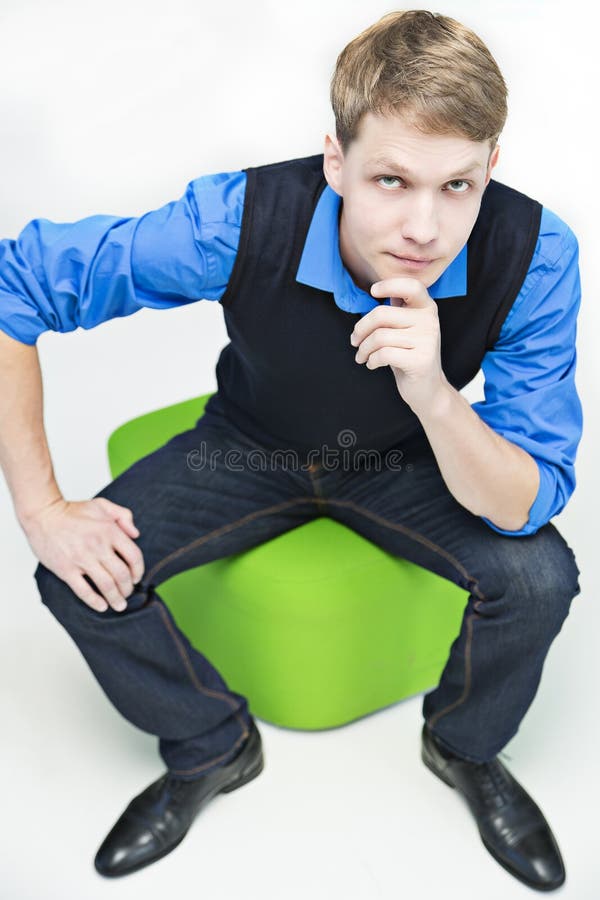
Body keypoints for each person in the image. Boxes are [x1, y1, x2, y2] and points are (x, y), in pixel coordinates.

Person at [0, 8, 582, 893]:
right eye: (390, 179)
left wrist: (432, 394)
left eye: (458, 185)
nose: (424, 228)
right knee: (72, 572)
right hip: (251, 444)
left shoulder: (535, 255)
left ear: (491, 167)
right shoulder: (238, 221)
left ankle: (464, 747)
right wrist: (43, 507)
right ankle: (210, 744)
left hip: (408, 456)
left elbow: (527, 496)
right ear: (335, 160)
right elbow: (16, 283)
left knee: (540, 577)